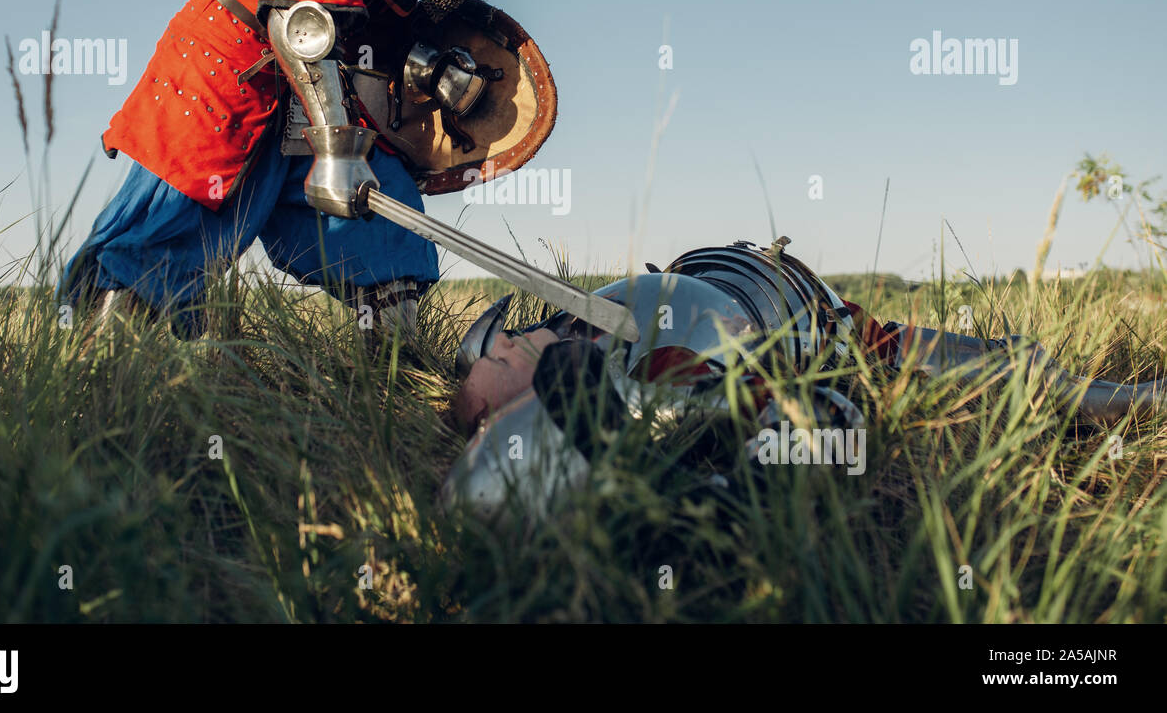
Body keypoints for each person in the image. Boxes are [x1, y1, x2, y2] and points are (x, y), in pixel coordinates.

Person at [59, 0, 550, 339]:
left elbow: (374, 41)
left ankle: (392, 385)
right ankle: (99, 379)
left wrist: (430, 65)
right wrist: (339, 154)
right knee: (162, 237)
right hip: (223, 77)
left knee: (388, 226)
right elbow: (303, 25)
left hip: (316, 102)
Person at [443, 239, 1164, 520]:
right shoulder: (627, 375)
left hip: (795, 302)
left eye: (502, 339)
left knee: (1012, 368)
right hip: (810, 343)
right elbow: (702, 371)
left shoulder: (583, 325)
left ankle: (1122, 397)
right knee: (806, 418)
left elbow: (682, 306)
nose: (509, 337)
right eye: (502, 354)